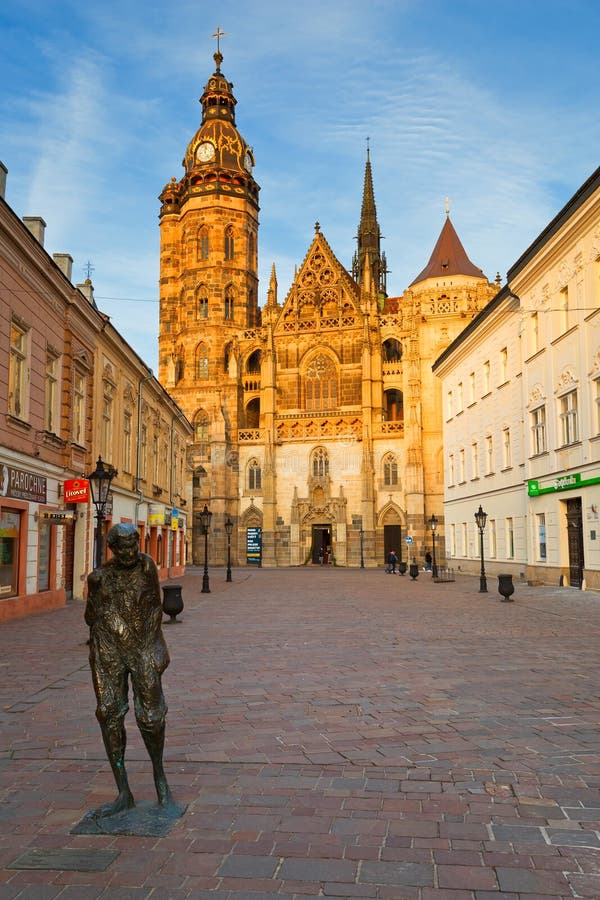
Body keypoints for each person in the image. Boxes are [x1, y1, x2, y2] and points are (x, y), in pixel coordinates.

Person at [85, 522, 174, 819]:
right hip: (108, 648)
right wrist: (96, 592)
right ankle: (123, 792)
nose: (129, 552)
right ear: (112, 548)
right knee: (109, 712)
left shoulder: (146, 567)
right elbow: (90, 618)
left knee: (150, 715)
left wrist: (153, 653)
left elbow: (154, 610)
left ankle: (160, 777)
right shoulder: (100, 577)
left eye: (133, 545)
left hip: (142, 646)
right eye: (122, 547)